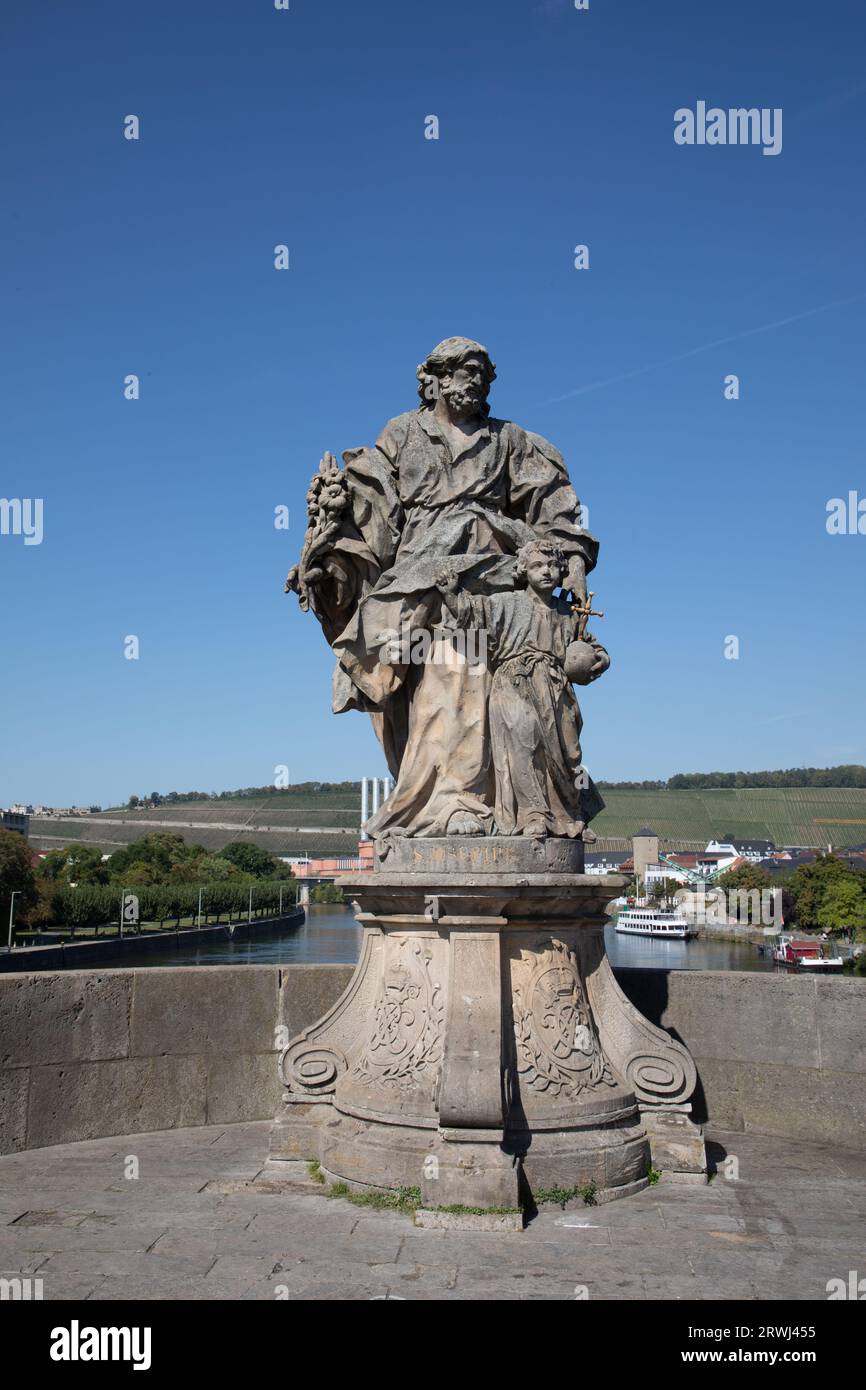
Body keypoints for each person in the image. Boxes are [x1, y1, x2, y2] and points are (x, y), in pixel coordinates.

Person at [435, 539, 608, 838]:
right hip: (515, 682)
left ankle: (568, 818)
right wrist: (452, 594)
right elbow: (473, 613)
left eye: (553, 565)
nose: (547, 571)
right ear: (523, 569)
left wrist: (599, 661)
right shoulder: (507, 603)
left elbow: (591, 646)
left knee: (568, 753)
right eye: (538, 565)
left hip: (556, 689)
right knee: (524, 746)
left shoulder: (568, 612)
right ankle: (532, 815)